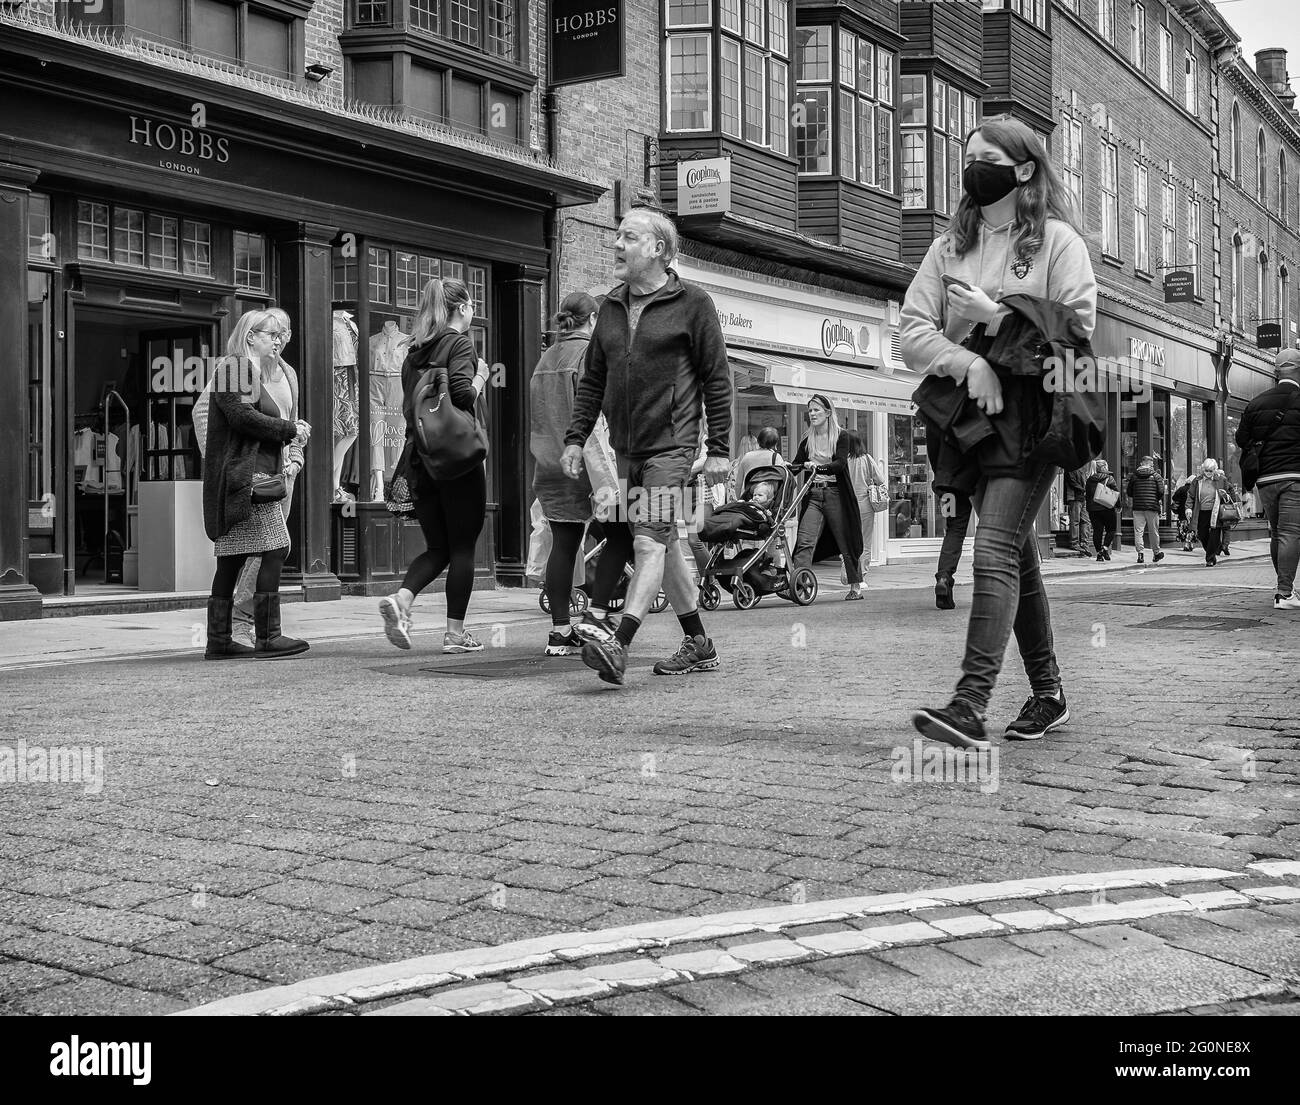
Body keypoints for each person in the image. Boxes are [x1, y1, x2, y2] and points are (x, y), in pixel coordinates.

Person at [901, 115, 1098, 749]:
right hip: (969, 416)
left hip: (1035, 417)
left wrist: (997, 315)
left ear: (1023, 170)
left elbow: (1077, 330)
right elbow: (912, 336)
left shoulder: (1058, 242)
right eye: (966, 155)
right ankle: (1049, 693)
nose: (970, 165)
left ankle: (970, 702)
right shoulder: (947, 246)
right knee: (1015, 550)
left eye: (985, 155)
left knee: (992, 547)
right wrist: (970, 359)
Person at [560, 208, 732, 685]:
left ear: (658, 250)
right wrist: (576, 438)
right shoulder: (610, 307)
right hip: (626, 450)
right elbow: (593, 381)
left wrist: (718, 447)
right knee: (668, 542)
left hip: (671, 447)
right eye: (616, 235)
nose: (616, 244)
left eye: (628, 237)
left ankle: (619, 642)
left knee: (647, 539)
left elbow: (718, 380)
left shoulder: (694, 305)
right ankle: (699, 643)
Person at [378, 277, 492, 652]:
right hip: (457, 460)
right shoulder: (459, 343)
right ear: (462, 308)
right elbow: (462, 394)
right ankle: (455, 635)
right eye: (472, 304)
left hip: (421, 460)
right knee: (462, 548)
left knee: (438, 547)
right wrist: (481, 375)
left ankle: (402, 601)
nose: (474, 310)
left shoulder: (414, 353)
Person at [201, 309, 311, 659]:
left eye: (281, 334)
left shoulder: (249, 370)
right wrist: (289, 429)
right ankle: (267, 636)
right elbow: (242, 416)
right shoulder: (234, 367)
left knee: (231, 560)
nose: (278, 340)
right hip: (246, 479)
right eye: (271, 333)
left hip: (250, 476)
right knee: (276, 549)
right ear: (251, 335)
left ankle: (219, 641)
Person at [529, 291, 601, 656]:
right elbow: (596, 410)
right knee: (623, 536)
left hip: (548, 464)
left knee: (564, 543)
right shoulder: (588, 354)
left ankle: (560, 630)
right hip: (586, 464)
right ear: (592, 320)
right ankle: (602, 622)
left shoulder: (545, 359)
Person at [1236, 347, 1300, 608]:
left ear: (1276, 372)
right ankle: (1284, 593)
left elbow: (1242, 439)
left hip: (1267, 480)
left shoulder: (1256, 403)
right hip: (1295, 477)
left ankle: (1285, 588)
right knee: (1290, 533)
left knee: (1278, 533)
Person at [791, 396, 865, 600]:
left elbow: (840, 464)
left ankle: (855, 586)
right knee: (804, 540)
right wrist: (786, 468)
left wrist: (818, 467)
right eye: (810, 411)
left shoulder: (841, 437)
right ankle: (800, 584)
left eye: (816, 410)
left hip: (835, 493)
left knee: (844, 539)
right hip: (814, 494)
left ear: (828, 413)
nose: (812, 414)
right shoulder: (807, 440)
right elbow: (798, 464)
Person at [845, 431, 885, 584]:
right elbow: (880, 480)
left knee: (848, 541)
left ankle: (849, 574)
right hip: (865, 505)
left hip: (847, 504)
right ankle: (861, 577)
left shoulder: (842, 461)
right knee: (865, 542)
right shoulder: (867, 459)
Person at [1186, 458, 1230, 567]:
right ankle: (1212, 554)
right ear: (1203, 470)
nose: (1208, 473)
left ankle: (1209, 559)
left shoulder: (1221, 479)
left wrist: (1225, 496)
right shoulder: (1197, 480)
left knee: (1214, 535)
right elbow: (1190, 496)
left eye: (1211, 471)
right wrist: (1188, 508)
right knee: (1202, 535)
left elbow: (1229, 495)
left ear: (1215, 470)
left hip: (1216, 511)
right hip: (1201, 511)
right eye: (1206, 470)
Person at [1126, 454, 1165, 565]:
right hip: (1152, 507)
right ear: (1150, 464)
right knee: (1154, 531)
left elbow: (1129, 492)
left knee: (1138, 531)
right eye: (1152, 464)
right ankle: (1156, 553)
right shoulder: (1156, 476)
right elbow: (1161, 492)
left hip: (1138, 507)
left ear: (1142, 464)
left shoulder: (1134, 476)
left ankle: (1140, 554)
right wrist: (1155, 498)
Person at [1086, 460, 1119, 560]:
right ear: (1105, 467)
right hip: (1107, 507)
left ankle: (1099, 553)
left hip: (1093, 509)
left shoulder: (1089, 479)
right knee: (1111, 529)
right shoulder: (1109, 478)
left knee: (1097, 531)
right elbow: (1115, 492)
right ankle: (1105, 548)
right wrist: (1118, 505)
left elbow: (1087, 495)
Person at [1064, 460, 1094, 556]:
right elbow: (1072, 481)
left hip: (1082, 497)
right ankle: (1074, 543)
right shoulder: (1070, 467)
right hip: (1074, 497)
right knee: (1075, 521)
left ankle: (1084, 543)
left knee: (1086, 520)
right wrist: (1083, 490)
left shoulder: (1081, 468)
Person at [1171, 475, 1196, 551]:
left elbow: (1174, 497)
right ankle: (1189, 544)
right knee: (1191, 528)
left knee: (1184, 528)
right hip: (1192, 511)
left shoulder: (1181, 489)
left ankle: (1186, 544)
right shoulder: (1194, 490)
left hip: (1182, 511)